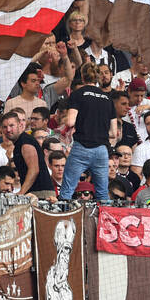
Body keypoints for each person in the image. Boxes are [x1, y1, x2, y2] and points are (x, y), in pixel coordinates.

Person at [58, 62, 119, 203]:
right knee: (103, 193)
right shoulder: (107, 99)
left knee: (67, 190)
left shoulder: (78, 94)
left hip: (82, 148)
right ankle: (105, 224)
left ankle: (61, 222)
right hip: (101, 150)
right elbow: (113, 132)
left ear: (83, 77)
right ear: (97, 78)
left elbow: (70, 122)